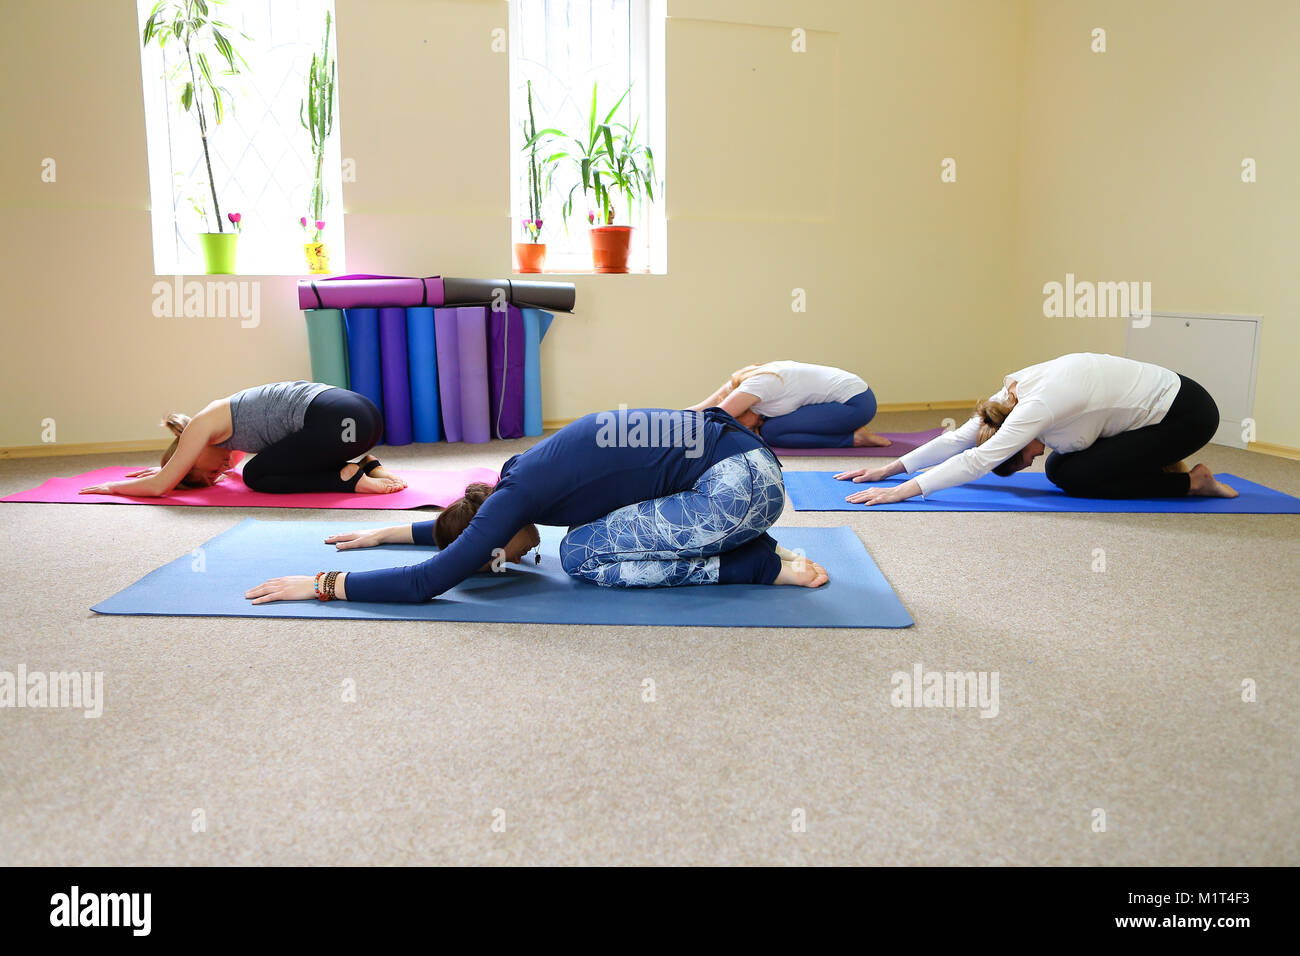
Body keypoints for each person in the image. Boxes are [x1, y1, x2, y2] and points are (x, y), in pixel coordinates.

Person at [245, 407, 829, 605]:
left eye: (494, 559)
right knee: (588, 535)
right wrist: (377, 537)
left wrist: (322, 583)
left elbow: (430, 580)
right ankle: (752, 545)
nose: (511, 561)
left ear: (493, 535)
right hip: (753, 469)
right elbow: (460, 529)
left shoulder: (515, 499)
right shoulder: (522, 476)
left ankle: (756, 564)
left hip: (735, 492)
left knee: (579, 554)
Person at [834, 353, 1238, 504]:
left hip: (1188, 414)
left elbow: (976, 459)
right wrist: (889, 468)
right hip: (1159, 405)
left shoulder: (1033, 408)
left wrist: (903, 491)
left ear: (1017, 441)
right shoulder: (1004, 406)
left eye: (1021, 458)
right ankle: (1160, 461)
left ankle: (1193, 484)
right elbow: (960, 439)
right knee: (1061, 469)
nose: (1033, 458)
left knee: (1075, 475)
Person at [79, 381, 404, 497]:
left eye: (204, 472)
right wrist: (164, 470)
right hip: (360, 420)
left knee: (256, 475)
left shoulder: (201, 426)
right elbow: (170, 475)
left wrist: (114, 487)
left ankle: (346, 477)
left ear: (189, 452)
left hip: (337, 421)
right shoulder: (225, 433)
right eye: (213, 479)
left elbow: (159, 488)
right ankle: (366, 462)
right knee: (270, 464)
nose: (219, 472)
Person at [687, 360, 889, 448]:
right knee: (771, 429)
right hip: (856, 396)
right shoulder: (743, 383)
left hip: (855, 404)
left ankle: (855, 439)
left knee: (773, 432)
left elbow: (714, 416)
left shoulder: (755, 386)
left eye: (743, 423)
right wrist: (664, 418)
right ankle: (851, 432)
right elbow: (702, 407)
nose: (748, 427)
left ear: (742, 409)